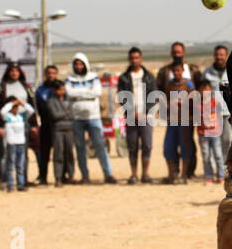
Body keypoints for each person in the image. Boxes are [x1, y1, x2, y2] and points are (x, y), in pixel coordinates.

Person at [66, 53, 117, 184]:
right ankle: (85, 176)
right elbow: (69, 93)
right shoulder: (69, 79)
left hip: (93, 117)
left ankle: (108, 174)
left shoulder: (93, 77)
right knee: (80, 148)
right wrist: (86, 93)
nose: (78, 66)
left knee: (100, 145)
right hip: (77, 118)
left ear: (85, 64)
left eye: (81, 64)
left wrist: (78, 94)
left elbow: (97, 92)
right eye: (76, 64)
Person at [117, 47, 156, 183]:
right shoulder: (124, 78)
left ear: (141, 58)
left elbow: (154, 96)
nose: (134, 60)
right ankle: (133, 175)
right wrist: (130, 112)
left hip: (146, 117)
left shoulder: (149, 77)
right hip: (131, 117)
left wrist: (146, 113)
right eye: (132, 58)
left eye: (137, 57)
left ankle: (145, 174)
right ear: (129, 59)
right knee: (132, 146)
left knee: (147, 145)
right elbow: (121, 96)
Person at [162, 61, 195, 184]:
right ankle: (171, 175)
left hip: (186, 121)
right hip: (172, 120)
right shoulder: (169, 84)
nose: (176, 73)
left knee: (185, 148)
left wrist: (184, 103)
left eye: (178, 70)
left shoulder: (188, 84)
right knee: (168, 147)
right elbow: (165, 100)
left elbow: (195, 100)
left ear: (182, 71)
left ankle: (184, 175)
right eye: (174, 71)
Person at [200, 45, 232, 157]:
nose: (219, 57)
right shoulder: (207, 73)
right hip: (211, 114)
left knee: (228, 140)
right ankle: (214, 169)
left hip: (228, 112)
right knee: (213, 141)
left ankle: (225, 169)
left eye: (222, 55)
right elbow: (202, 91)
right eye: (217, 55)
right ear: (214, 56)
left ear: (226, 56)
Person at [33, 64, 62, 184]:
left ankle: (61, 176)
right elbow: (37, 107)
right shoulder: (40, 90)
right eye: (49, 73)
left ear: (56, 74)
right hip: (45, 124)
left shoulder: (61, 87)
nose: (51, 75)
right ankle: (43, 176)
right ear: (46, 74)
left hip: (59, 125)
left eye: (53, 73)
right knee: (44, 153)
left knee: (60, 152)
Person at [43, 81, 76, 185]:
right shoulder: (51, 101)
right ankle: (58, 177)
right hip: (57, 130)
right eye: (59, 89)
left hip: (69, 129)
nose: (62, 91)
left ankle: (70, 175)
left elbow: (73, 115)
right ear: (54, 90)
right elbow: (54, 115)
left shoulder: (68, 100)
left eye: (63, 89)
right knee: (59, 154)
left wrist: (65, 114)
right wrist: (66, 113)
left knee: (69, 154)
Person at [0, 98, 34, 192]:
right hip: (11, 143)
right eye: (14, 107)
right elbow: (2, 112)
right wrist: (11, 104)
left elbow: (31, 110)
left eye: (16, 107)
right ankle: (10, 185)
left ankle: (20, 184)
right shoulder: (8, 117)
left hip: (21, 143)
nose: (15, 109)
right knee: (10, 165)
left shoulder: (21, 117)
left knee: (20, 165)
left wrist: (23, 104)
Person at [198, 79, 224, 183]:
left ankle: (221, 175)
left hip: (215, 134)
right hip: (203, 134)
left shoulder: (216, 103)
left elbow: (219, 116)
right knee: (206, 155)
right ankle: (209, 176)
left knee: (218, 154)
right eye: (202, 90)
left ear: (211, 90)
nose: (205, 92)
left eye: (207, 90)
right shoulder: (197, 104)